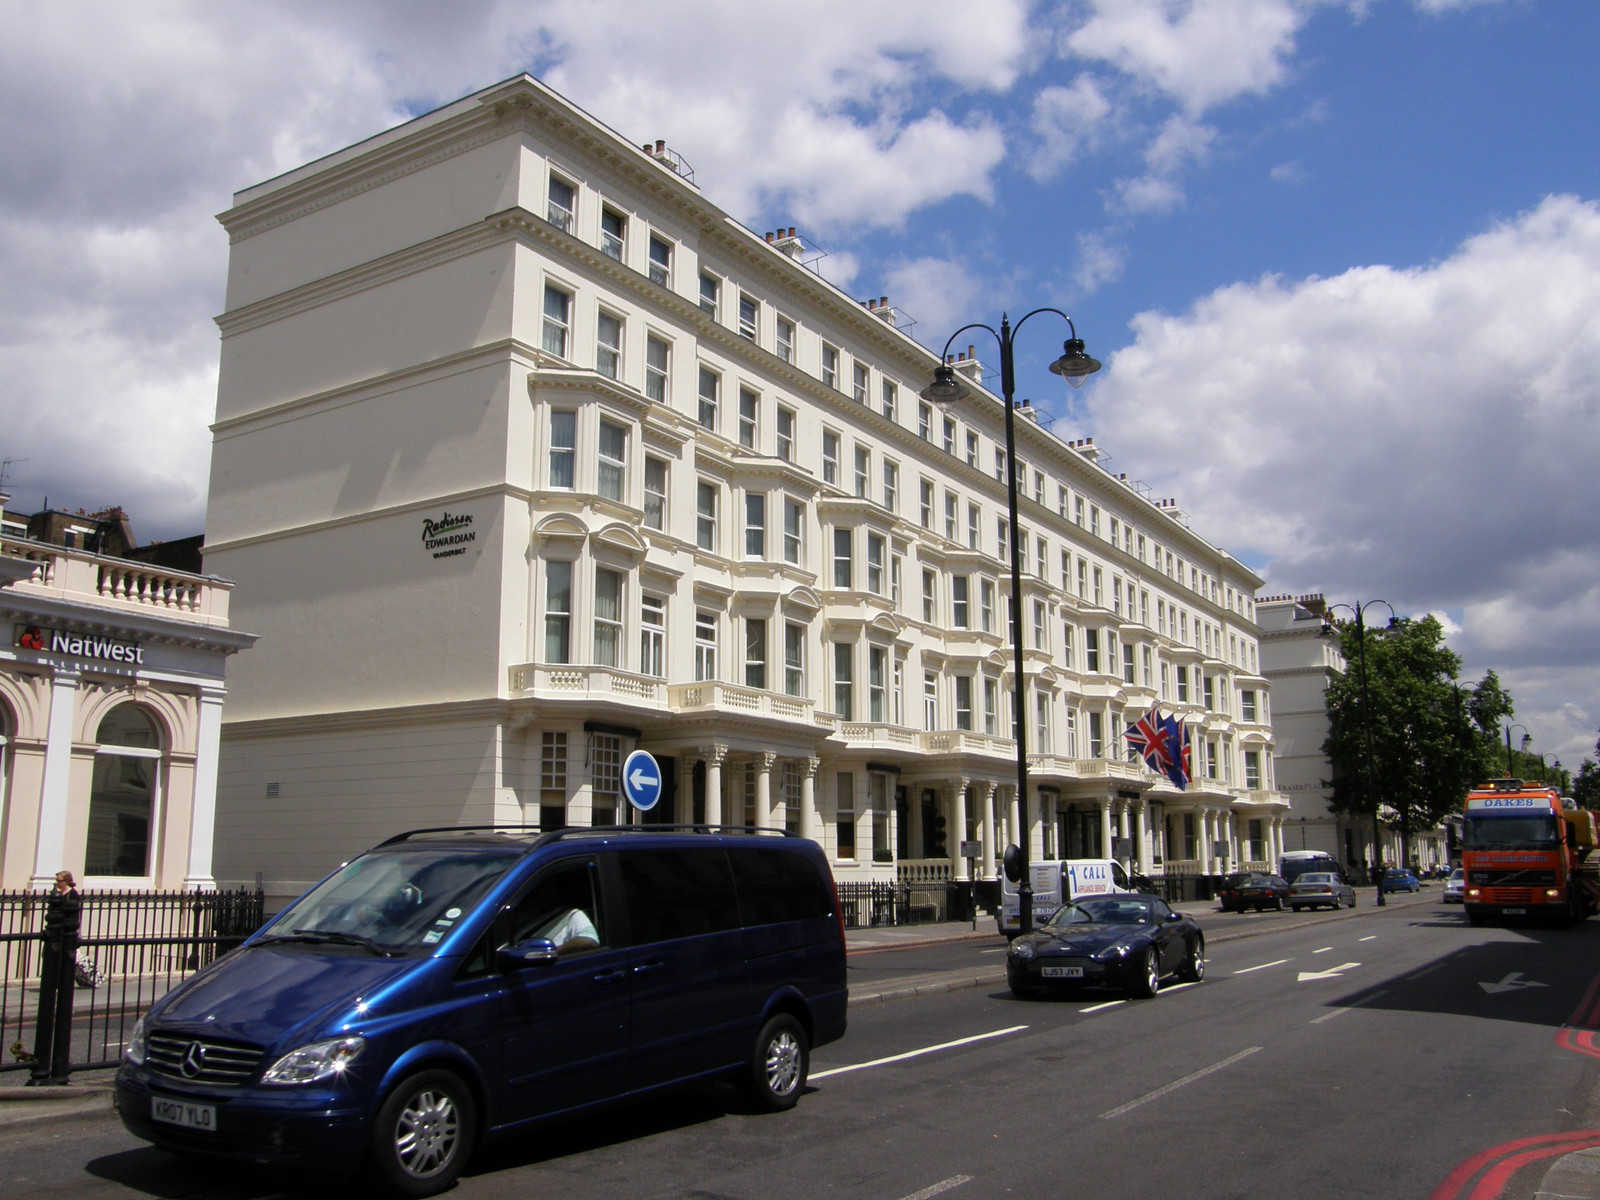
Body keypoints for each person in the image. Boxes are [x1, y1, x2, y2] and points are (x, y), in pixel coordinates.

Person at [29, 870, 81, 1086]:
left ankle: (55, 1070)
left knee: (63, 964)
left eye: (59, 880)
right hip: (56, 934)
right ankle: (44, 1069)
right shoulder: (56, 895)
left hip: (66, 935)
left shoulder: (73, 896)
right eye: (56, 880)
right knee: (50, 959)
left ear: (66, 881)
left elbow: (75, 917)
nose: (56, 883)